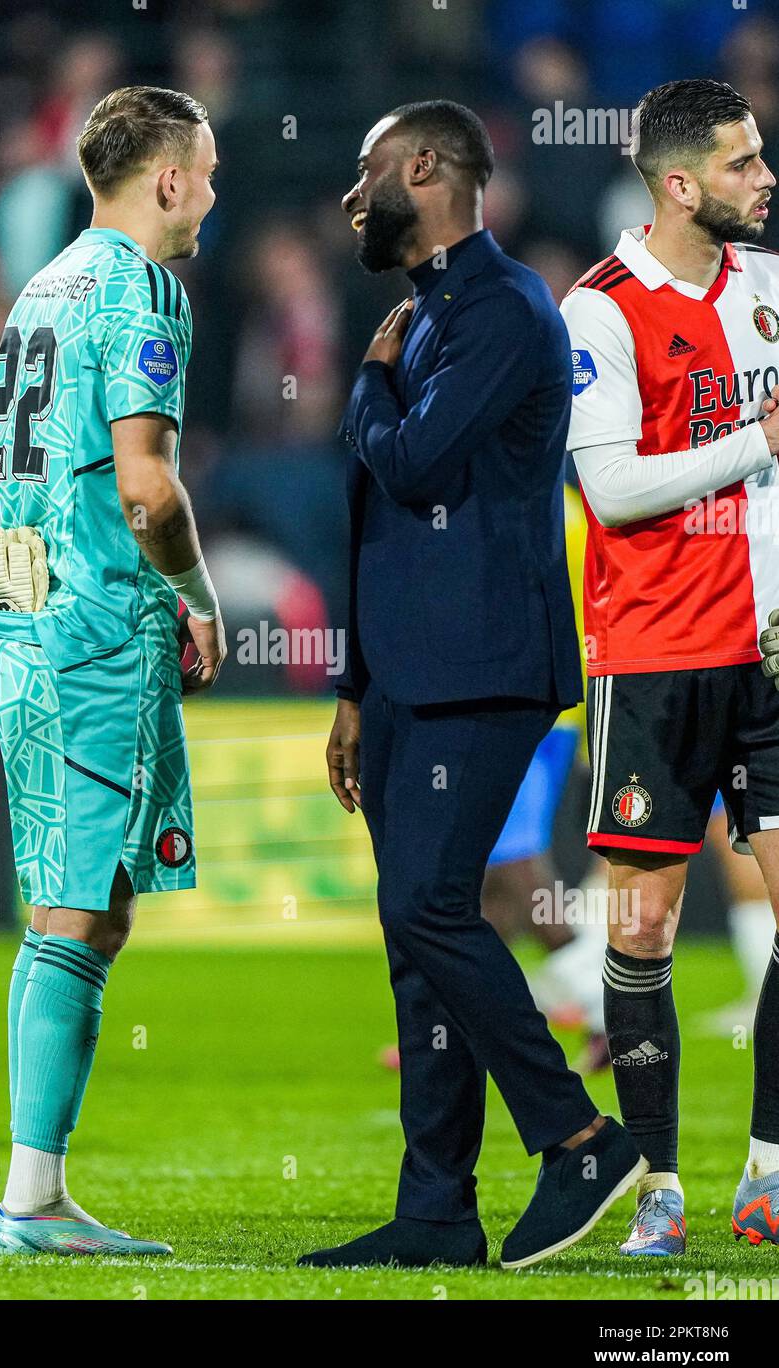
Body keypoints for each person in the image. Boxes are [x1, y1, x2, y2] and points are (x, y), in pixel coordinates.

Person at [299, 100, 645, 1273]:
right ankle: (436, 1206)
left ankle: (579, 1135)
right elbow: (377, 516)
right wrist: (352, 688)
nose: (352, 196)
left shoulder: (502, 307)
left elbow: (411, 460)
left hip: (481, 664)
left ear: (427, 168)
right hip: (405, 671)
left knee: (430, 907)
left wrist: (368, 384)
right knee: (414, 936)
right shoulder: (430, 310)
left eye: (364, 172)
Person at [0, 85, 226, 1257]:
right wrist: (196, 597)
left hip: (21, 609)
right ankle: (28, 1200)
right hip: (91, 628)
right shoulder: (143, 286)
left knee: (94, 908)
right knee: (71, 910)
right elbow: (146, 487)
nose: (211, 194)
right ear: (166, 180)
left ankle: (41, 1192)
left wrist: (20, 622)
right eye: (204, 173)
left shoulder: (43, 287)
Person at [560, 77, 779, 1255]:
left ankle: (771, 1166)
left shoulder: (772, 290)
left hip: (772, 650)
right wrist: (759, 440)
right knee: (643, 930)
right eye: (745, 163)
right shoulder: (600, 309)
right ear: (682, 183)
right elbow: (613, 489)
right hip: (653, 655)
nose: (767, 178)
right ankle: (659, 1185)